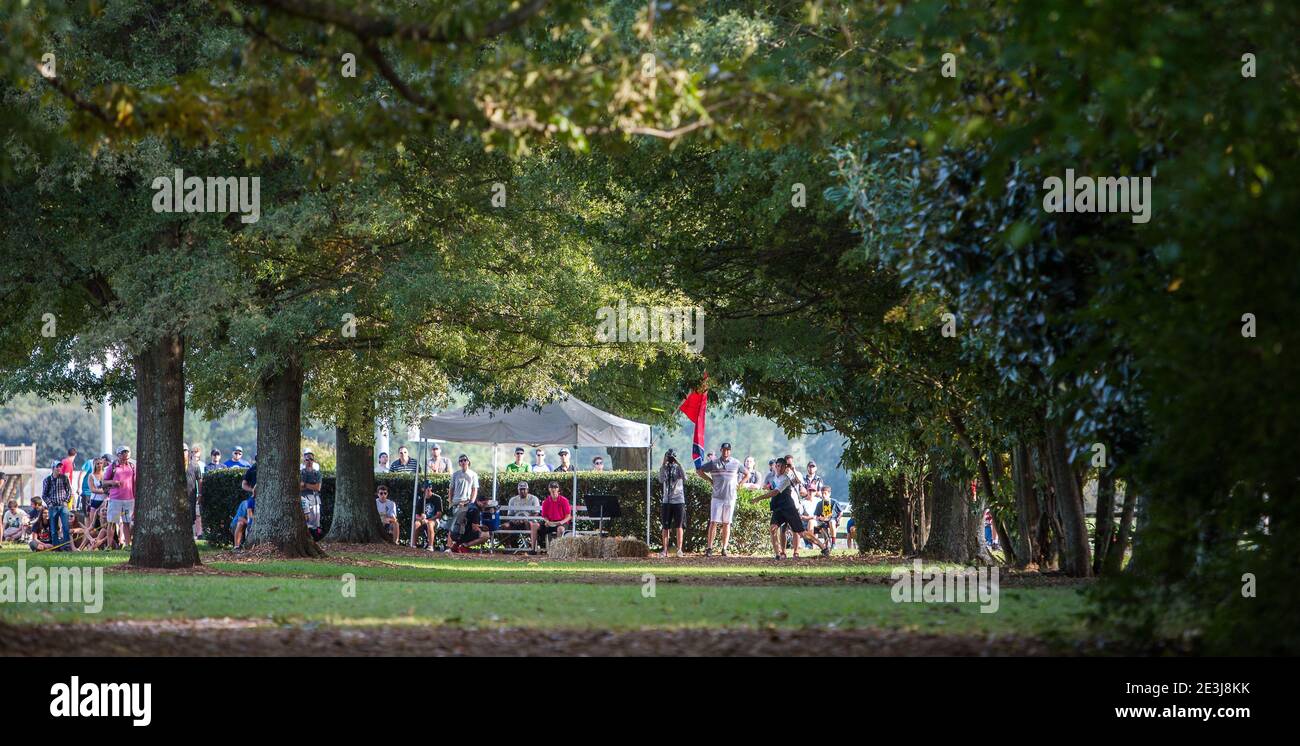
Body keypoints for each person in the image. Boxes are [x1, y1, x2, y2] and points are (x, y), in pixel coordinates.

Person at [749, 455, 829, 558]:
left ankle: (823, 547)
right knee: (773, 528)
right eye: (777, 466)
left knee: (802, 533)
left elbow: (775, 492)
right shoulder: (774, 476)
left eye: (781, 466)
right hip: (778, 508)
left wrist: (758, 498)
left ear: (785, 467)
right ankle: (778, 554)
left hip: (789, 508)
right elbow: (769, 488)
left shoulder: (786, 479)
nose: (779, 468)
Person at [695, 441, 749, 557]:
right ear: (721, 450)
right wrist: (709, 480)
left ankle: (724, 548)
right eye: (724, 450)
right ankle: (709, 547)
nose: (726, 452)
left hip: (730, 497)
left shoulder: (736, 463)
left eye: (728, 450)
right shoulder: (714, 463)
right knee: (713, 522)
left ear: (730, 451)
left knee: (727, 523)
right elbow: (699, 471)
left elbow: (747, 474)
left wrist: (740, 484)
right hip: (717, 497)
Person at [657, 449, 687, 557]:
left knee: (679, 525)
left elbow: (685, 478)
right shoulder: (664, 468)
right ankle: (664, 550)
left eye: (672, 457)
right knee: (665, 526)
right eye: (669, 457)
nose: (670, 459)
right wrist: (663, 464)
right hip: (667, 501)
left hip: (678, 500)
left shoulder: (679, 468)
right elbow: (661, 479)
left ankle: (679, 549)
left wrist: (679, 463)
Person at [41, 459, 73, 552]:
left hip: (63, 506)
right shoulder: (47, 480)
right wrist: (50, 504)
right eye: (57, 467)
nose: (59, 468)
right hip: (53, 507)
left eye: (60, 466)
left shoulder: (64, 478)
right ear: (53, 468)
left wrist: (66, 501)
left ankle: (66, 547)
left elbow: (69, 491)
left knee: (66, 527)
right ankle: (56, 547)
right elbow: (44, 494)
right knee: (54, 528)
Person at [505, 481, 541, 553]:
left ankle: (532, 546)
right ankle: (509, 547)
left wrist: (525, 519)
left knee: (529, 523)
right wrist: (514, 520)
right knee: (504, 526)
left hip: (529, 520)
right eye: (521, 489)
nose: (522, 491)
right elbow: (509, 515)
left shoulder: (534, 498)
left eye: (524, 489)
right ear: (518, 490)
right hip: (515, 520)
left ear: (527, 490)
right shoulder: (513, 500)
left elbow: (536, 513)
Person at [536, 482, 572, 551]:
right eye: (551, 488)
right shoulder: (546, 502)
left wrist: (561, 522)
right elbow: (544, 516)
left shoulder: (564, 500)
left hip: (562, 522)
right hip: (551, 522)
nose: (553, 489)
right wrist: (547, 521)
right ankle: (540, 548)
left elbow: (568, 516)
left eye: (555, 487)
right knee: (538, 528)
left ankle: (558, 550)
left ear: (558, 489)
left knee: (560, 529)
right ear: (549, 489)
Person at [413, 481, 444, 551]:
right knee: (416, 524)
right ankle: (413, 545)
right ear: (422, 489)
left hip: (434, 520)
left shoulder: (437, 498)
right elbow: (416, 516)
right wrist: (421, 518)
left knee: (430, 524)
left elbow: (439, 514)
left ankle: (430, 546)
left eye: (429, 487)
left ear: (431, 488)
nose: (427, 489)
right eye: (425, 487)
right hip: (423, 520)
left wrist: (428, 520)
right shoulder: (421, 500)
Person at [300, 451, 323, 539]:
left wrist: (305, 485)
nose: (309, 461)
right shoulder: (299, 473)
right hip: (304, 501)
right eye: (307, 459)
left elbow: (318, 488)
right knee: (305, 523)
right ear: (304, 460)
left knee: (315, 525)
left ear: (313, 460)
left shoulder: (317, 474)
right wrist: (311, 486)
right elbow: (298, 487)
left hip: (315, 501)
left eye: (311, 459)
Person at [813, 485, 842, 550]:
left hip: (833, 520)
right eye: (822, 493)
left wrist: (839, 518)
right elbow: (816, 515)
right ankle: (825, 545)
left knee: (831, 522)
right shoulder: (819, 504)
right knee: (822, 526)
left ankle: (833, 543)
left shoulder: (834, 502)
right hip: (823, 521)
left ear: (829, 494)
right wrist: (819, 518)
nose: (823, 495)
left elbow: (840, 512)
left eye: (825, 493)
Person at [186, 445, 203, 538]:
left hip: (191, 495)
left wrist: (199, 494)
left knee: (192, 516)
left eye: (185, 450)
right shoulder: (177, 464)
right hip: (178, 495)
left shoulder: (195, 464)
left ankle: (190, 536)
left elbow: (200, 480)